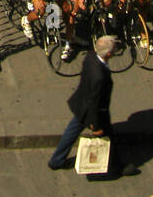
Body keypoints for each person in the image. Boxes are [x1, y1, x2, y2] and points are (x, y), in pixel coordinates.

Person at [48, 35, 132, 173]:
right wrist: (95, 125)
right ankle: (118, 167)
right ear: (109, 54)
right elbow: (95, 101)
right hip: (95, 111)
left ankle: (56, 160)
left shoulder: (91, 57)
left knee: (72, 131)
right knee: (108, 136)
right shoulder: (99, 76)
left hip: (81, 101)